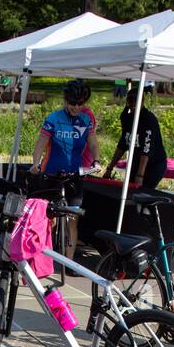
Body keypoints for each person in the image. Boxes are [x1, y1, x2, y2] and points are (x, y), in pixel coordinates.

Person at [31, 79, 99, 260]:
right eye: (72, 103)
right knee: (50, 219)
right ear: (65, 101)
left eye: (80, 103)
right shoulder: (54, 118)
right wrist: (36, 163)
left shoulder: (85, 120)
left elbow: (92, 143)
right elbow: (40, 143)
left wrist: (97, 160)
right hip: (52, 173)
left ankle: (68, 262)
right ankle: (42, 257)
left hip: (74, 175)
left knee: (72, 219)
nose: (76, 107)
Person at [106, 85, 167, 191]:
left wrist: (139, 176)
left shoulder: (149, 119)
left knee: (141, 191)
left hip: (153, 164)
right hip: (136, 161)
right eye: (130, 100)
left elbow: (146, 149)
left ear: (142, 101)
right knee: (129, 191)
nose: (133, 103)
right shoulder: (127, 118)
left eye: (136, 100)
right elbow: (122, 144)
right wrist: (109, 168)